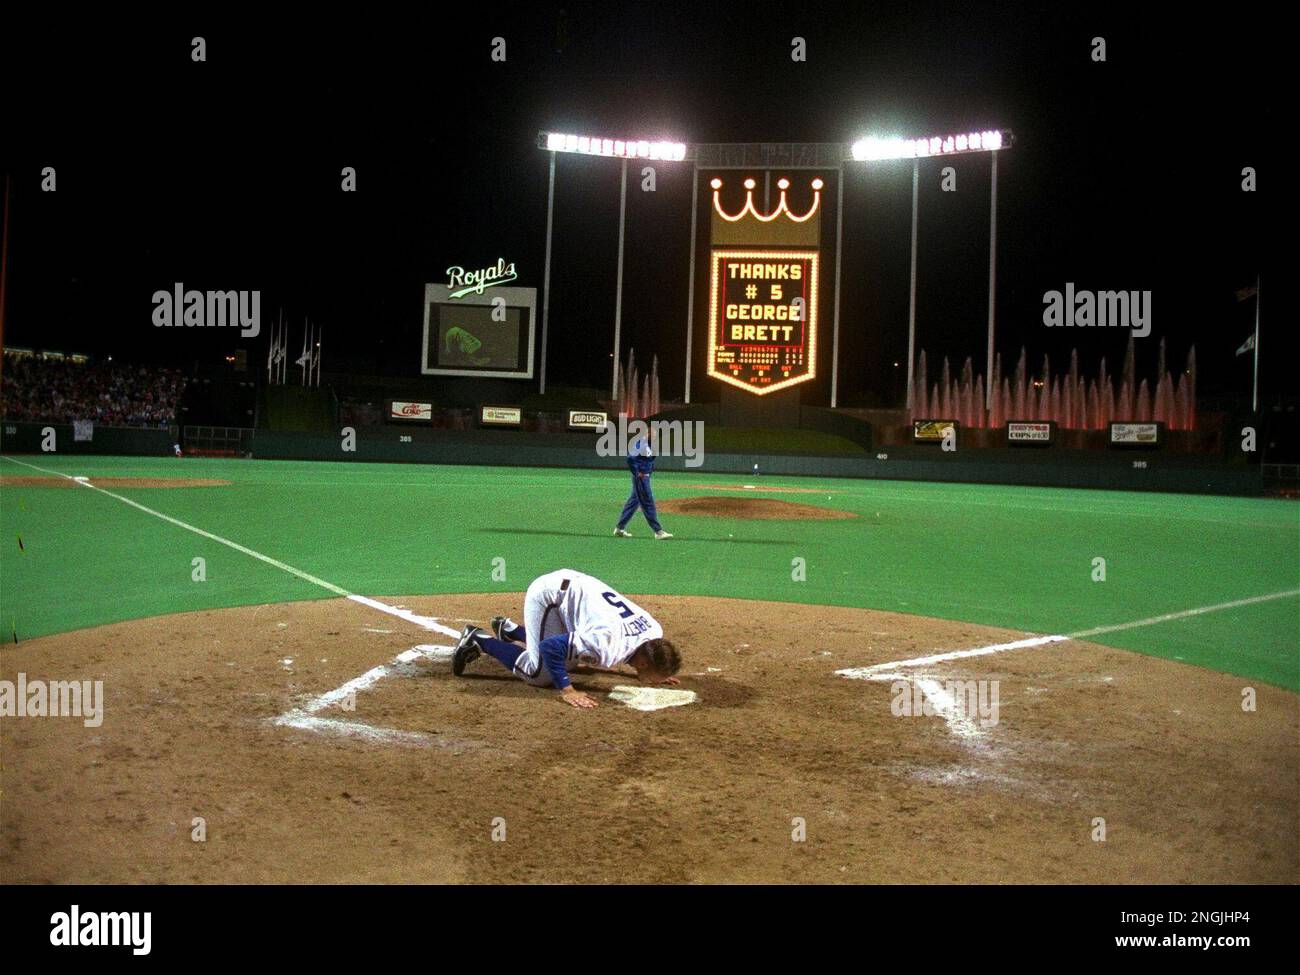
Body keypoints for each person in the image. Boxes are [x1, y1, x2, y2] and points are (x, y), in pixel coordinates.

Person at [450, 568, 682, 709]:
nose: (656, 682)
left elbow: (642, 651)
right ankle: (478, 639)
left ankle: (510, 631)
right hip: (549, 596)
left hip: (573, 594)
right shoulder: (606, 644)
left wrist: (659, 671)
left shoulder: (654, 632)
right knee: (539, 673)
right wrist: (568, 690)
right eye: (655, 677)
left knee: (571, 659)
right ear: (643, 662)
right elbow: (550, 647)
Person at [614, 432, 672, 539]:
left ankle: (619, 528)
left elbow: (650, 459)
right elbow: (630, 458)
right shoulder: (641, 444)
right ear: (647, 434)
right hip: (641, 478)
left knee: (633, 503)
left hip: (645, 477)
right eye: (653, 434)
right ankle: (658, 531)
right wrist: (637, 472)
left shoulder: (649, 445)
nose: (655, 436)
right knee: (648, 503)